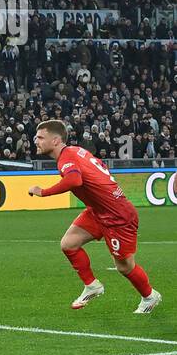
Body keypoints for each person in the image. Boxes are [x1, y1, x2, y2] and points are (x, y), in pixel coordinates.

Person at [29, 120, 160, 313]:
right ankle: (92, 285)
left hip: (117, 216)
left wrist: (44, 192)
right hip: (98, 211)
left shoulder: (67, 157)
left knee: (124, 267)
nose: (36, 141)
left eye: (40, 137)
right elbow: (99, 167)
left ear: (56, 140)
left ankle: (150, 297)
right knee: (68, 244)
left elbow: (74, 179)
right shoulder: (74, 152)